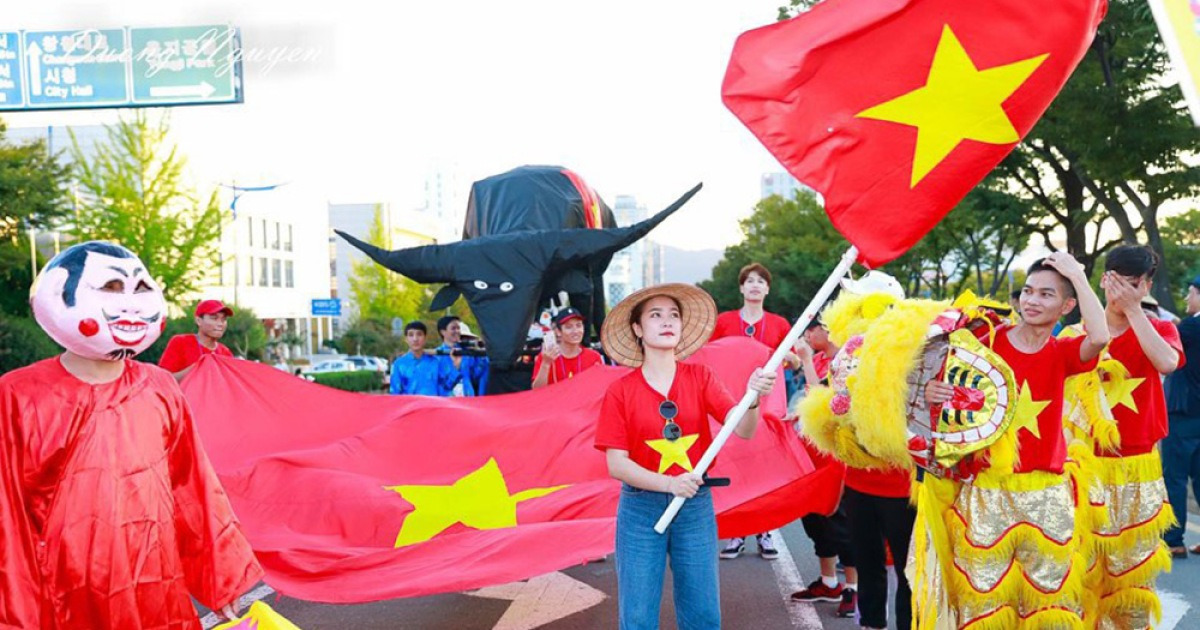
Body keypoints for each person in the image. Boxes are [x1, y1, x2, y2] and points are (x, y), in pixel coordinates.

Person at [1, 242, 261, 627]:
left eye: (139, 289)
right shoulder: (17, 395)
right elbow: (8, 519)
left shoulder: (159, 388)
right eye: (109, 286)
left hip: (155, 584)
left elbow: (194, 489)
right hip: (65, 594)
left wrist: (220, 579)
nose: (129, 303)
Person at [925, 252, 1109, 628]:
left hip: (1047, 495)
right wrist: (932, 390)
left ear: (1067, 306)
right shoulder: (984, 343)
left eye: (1046, 294)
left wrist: (1077, 273)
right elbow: (937, 385)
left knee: (1047, 604)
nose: (1032, 301)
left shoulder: (1062, 353)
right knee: (982, 601)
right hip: (987, 490)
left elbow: (1101, 336)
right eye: (1027, 291)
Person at [594, 283, 776, 630]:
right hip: (640, 509)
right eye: (656, 315)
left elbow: (744, 429)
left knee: (703, 613)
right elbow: (616, 463)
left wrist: (752, 398)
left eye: (674, 315)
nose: (667, 322)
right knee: (637, 616)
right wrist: (669, 483)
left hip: (694, 506)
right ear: (637, 329)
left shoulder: (700, 376)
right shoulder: (621, 390)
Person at [1084, 245, 1183, 627]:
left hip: (1138, 464)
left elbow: (1167, 362)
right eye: (1117, 282)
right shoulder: (1084, 332)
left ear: (1146, 286)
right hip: (1088, 464)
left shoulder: (1161, 327)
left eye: (1134, 284)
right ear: (1104, 280)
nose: (1123, 291)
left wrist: (1134, 310)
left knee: (1134, 572)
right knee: (1087, 569)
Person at [710, 262, 799, 561]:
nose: (755, 285)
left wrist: (787, 356)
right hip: (731, 400)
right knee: (735, 465)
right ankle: (736, 532)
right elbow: (708, 357)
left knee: (764, 467)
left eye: (761, 280)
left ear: (767, 289)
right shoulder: (723, 321)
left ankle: (765, 529)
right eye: (749, 280)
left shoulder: (779, 324)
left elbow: (797, 362)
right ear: (741, 288)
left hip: (768, 404)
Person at [789, 318, 861, 619]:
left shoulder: (848, 361)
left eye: (812, 329)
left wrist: (804, 360)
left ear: (828, 330)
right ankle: (829, 582)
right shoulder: (818, 360)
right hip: (811, 455)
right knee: (815, 518)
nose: (808, 335)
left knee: (841, 521)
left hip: (837, 455)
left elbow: (828, 404)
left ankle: (852, 588)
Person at [1165, 276, 1200, 558]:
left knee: (1175, 476)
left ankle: (1174, 539)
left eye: (1190, 293)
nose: (1187, 299)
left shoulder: (1189, 328)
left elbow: (1165, 351)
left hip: (1184, 411)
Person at [158, 299, 235, 381]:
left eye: (223, 319)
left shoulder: (225, 353)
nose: (220, 324)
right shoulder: (181, 342)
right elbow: (163, 380)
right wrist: (198, 367)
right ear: (198, 321)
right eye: (214, 318)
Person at [532, 307, 604, 388]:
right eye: (569, 327)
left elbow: (600, 388)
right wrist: (546, 364)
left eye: (579, 325)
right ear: (558, 332)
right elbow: (536, 390)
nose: (575, 331)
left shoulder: (594, 357)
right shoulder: (547, 356)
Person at [390, 321, 460, 396]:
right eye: (411, 335)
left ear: (425, 337)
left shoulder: (435, 362)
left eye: (419, 334)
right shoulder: (399, 364)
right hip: (411, 407)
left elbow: (446, 388)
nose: (415, 339)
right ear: (406, 339)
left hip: (433, 406)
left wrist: (456, 366)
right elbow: (395, 394)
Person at [436, 315, 489, 396]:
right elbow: (442, 385)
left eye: (458, 328)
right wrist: (456, 369)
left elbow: (476, 375)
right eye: (453, 328)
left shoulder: (466, 352)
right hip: (447, 401)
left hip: (468, 398)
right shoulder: (436, 356)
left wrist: (481, 356)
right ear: (443, 332)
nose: (457, 331)